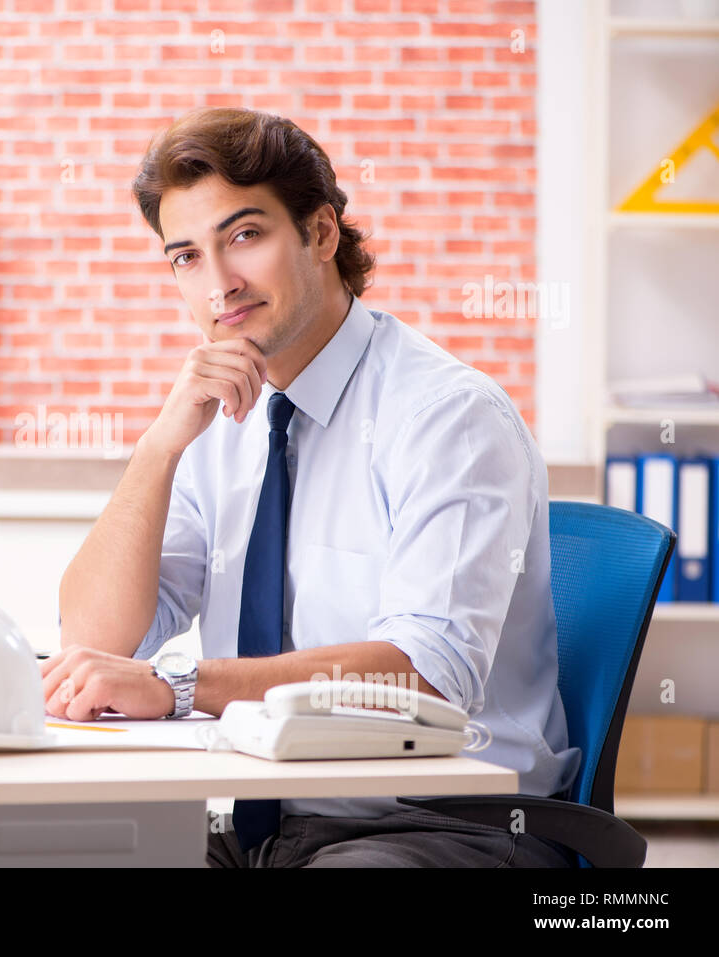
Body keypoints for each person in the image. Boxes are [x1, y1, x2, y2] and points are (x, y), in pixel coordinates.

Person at [43, 107, 581, 867]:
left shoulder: (448, 416)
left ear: (321, 233)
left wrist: (181, 687)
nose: (219, 284)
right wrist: (158, 448)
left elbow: (429, 672)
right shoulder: (218, 422)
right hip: (262, 822)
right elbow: (96, 643)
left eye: (243, 236)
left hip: (444, 822)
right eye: (186, 257)